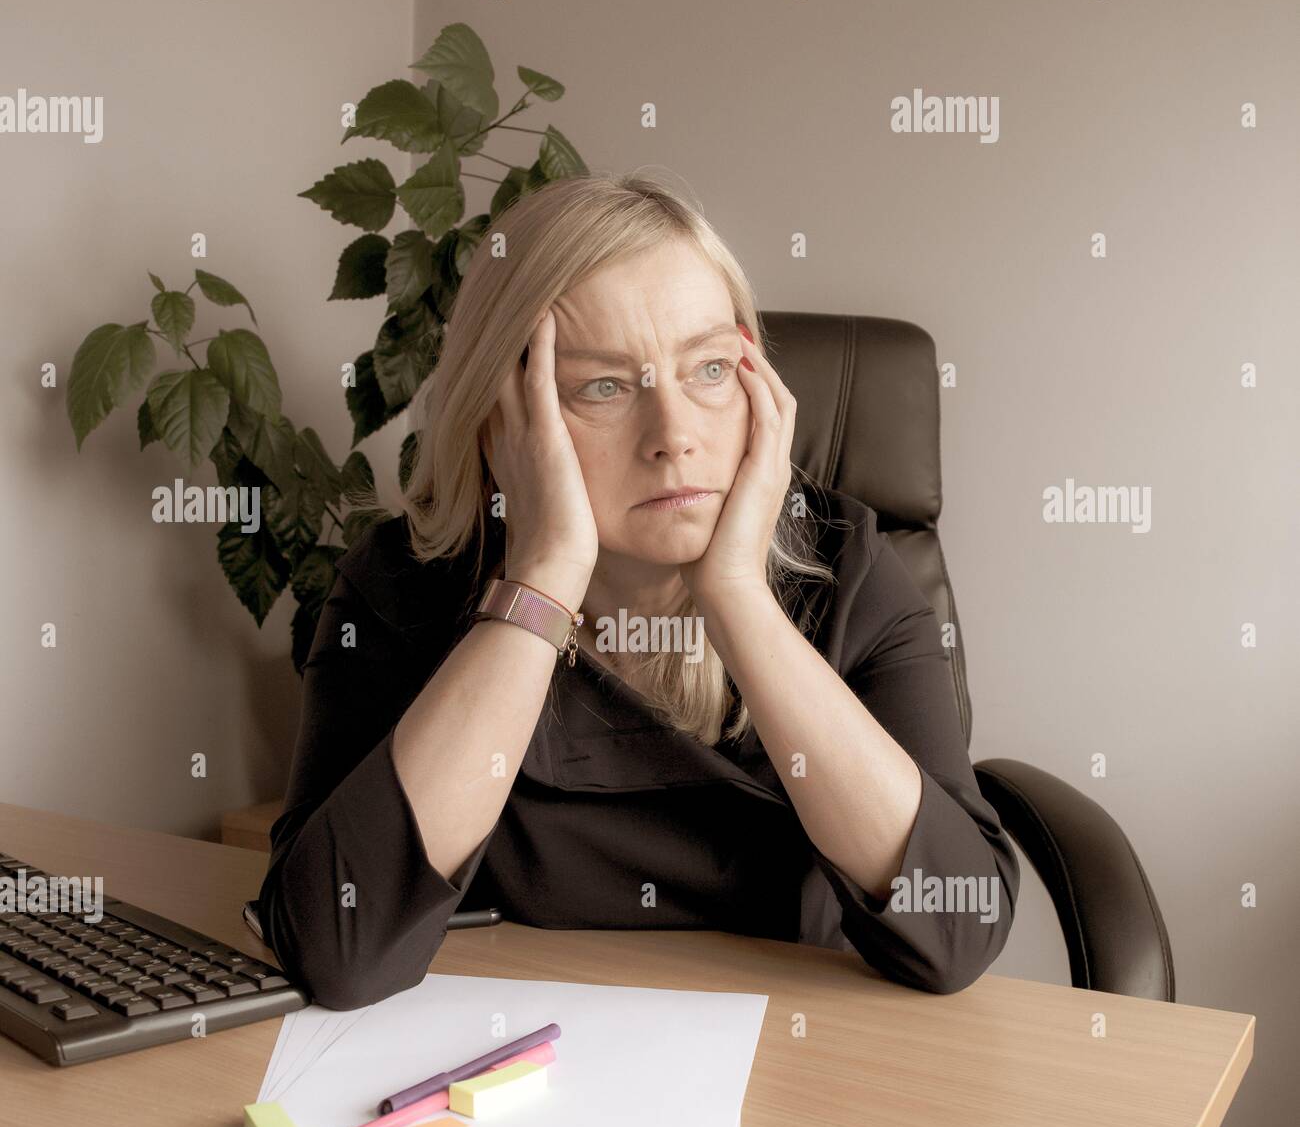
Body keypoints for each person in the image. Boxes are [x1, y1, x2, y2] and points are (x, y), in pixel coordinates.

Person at [256, 171, 1019, 1011]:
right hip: (514, 1058)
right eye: (605, 387)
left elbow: (955, 927)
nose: (675, 437)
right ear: (503, 420)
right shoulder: (404, 586)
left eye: (709, 369)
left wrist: (735, 595)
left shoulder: (849, 572)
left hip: (801, 1072)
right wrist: (540, 584)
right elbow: (333, 944)